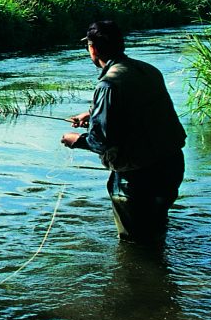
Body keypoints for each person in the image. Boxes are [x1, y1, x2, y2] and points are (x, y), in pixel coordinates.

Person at [60, 20, 186, 244]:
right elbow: (141, 106)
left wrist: (75, 140)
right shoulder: (148, 70)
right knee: (156, 232)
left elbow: (100, 141)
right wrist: (91, 114)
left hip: (137, 177)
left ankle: (138, 277)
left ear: (93, 48)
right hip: (171, 166)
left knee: (134, 245)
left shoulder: (108, 84)